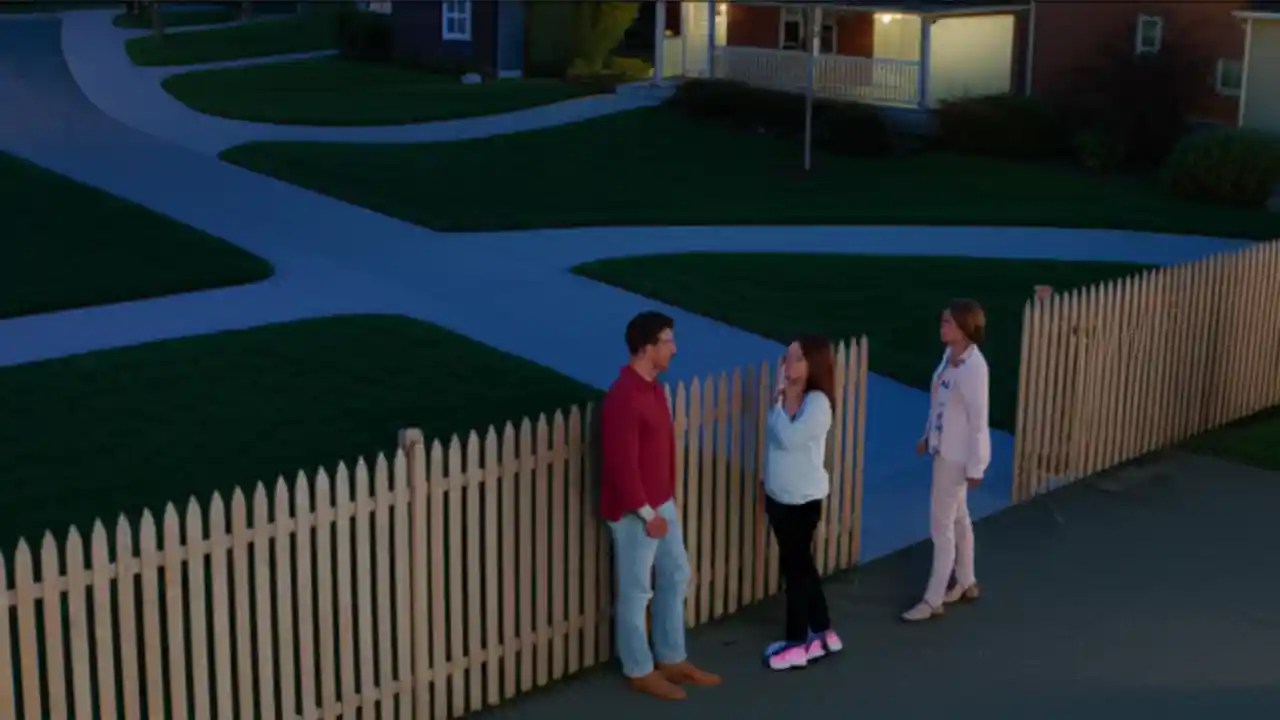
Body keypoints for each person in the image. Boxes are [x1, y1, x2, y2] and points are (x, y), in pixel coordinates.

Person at [600, 311, 722, 700]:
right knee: (636, 592)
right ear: (647, 347)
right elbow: (621, 464)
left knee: (675, 574)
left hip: (660, 505)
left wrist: (663, 502)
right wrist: (647, 512)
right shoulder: (624, 397)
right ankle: (638, 667)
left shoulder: (653, 388)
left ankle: (671, 656)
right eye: (668, 340)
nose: (675, 348)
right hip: (638, 513)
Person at [902, 299, 991, 623]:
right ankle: (966, 580)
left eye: (948, 323)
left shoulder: (974, 369)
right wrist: (928, 436)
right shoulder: (949, 358)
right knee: (958, 518)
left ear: (965, 329)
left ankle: (933, 597)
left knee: (942, 527)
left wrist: (977, 466)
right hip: (944, 450)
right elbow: (940, 401)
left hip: (954, 459)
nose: (942, 326)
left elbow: (978, 420)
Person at [761, 335, 843, 670]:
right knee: (802, 566)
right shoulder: (786, 398)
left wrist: (780, 401)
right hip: (779, 497)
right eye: (786, 357)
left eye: (796, 358)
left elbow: (790, 438)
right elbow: (775, 445)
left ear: (813, 365)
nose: (787, 364)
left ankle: (796, 643)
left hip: (802, 500)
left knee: (795, 572)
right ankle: (823, 632)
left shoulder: (817, 404)